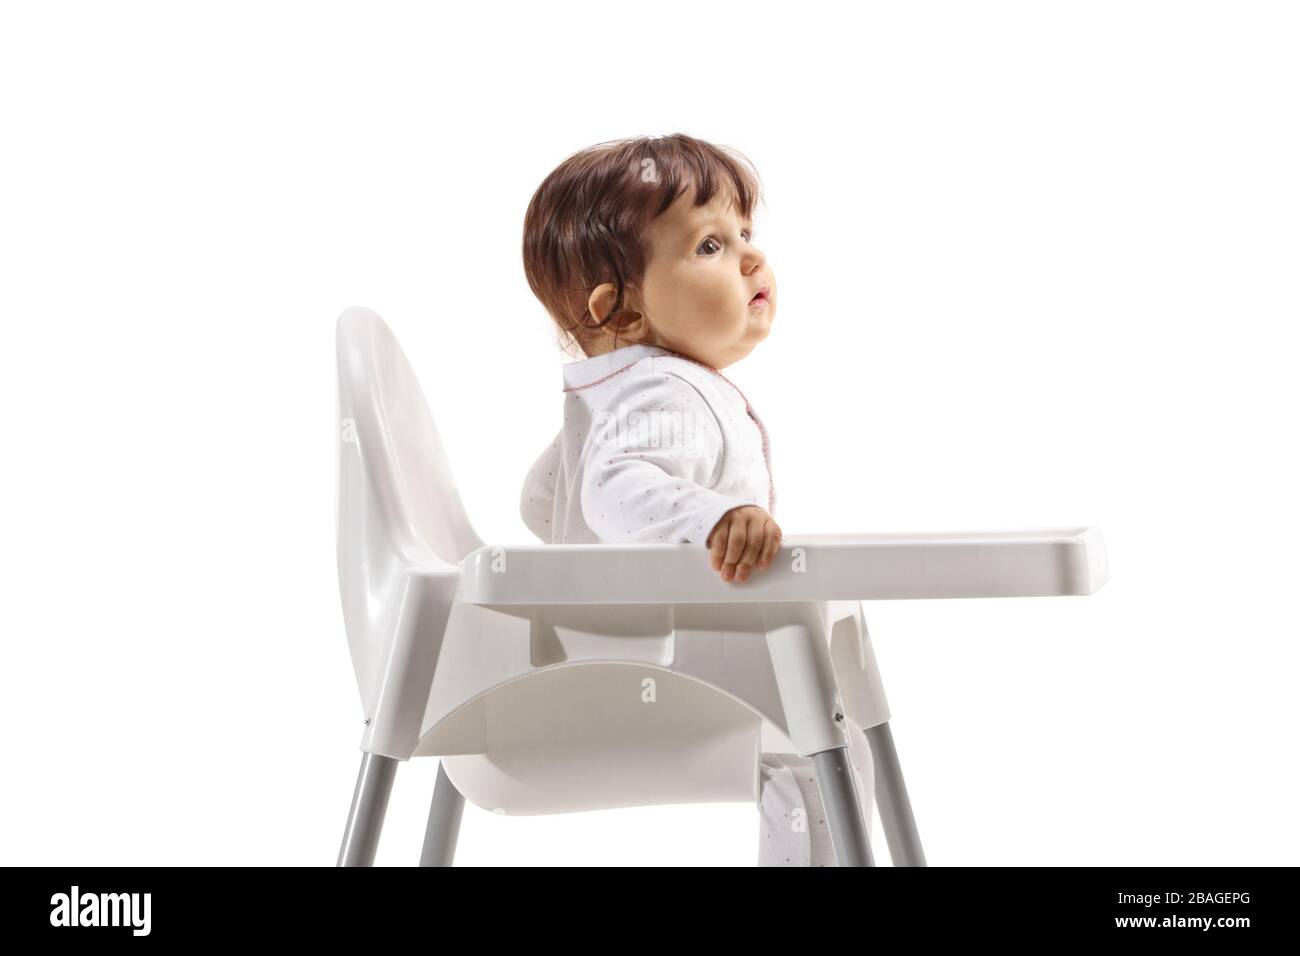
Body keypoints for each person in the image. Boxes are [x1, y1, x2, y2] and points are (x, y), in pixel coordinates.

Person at [519, 133, 873, 865]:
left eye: (746, 234)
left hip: (621, 659)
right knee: (824, 754)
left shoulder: (613, 393)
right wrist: (714, 518)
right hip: (660, 662)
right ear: (620, 313)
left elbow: (543, 498)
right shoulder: (666, 387)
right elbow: (612, 490)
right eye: (709, 246)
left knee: (825, 742)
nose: (751, 257)